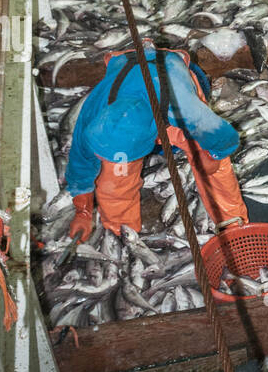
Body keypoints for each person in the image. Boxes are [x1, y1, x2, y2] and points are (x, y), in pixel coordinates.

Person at [66, 43, 248, 241]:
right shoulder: (91, 117)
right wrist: (82, 212)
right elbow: (79, 168)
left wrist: (214, 155)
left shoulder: (185, 109)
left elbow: (224, 137)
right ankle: (123, 238)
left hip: (168, 76)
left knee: (214, 168)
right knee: (115, 179)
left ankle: (231, 222)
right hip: (128, 75)